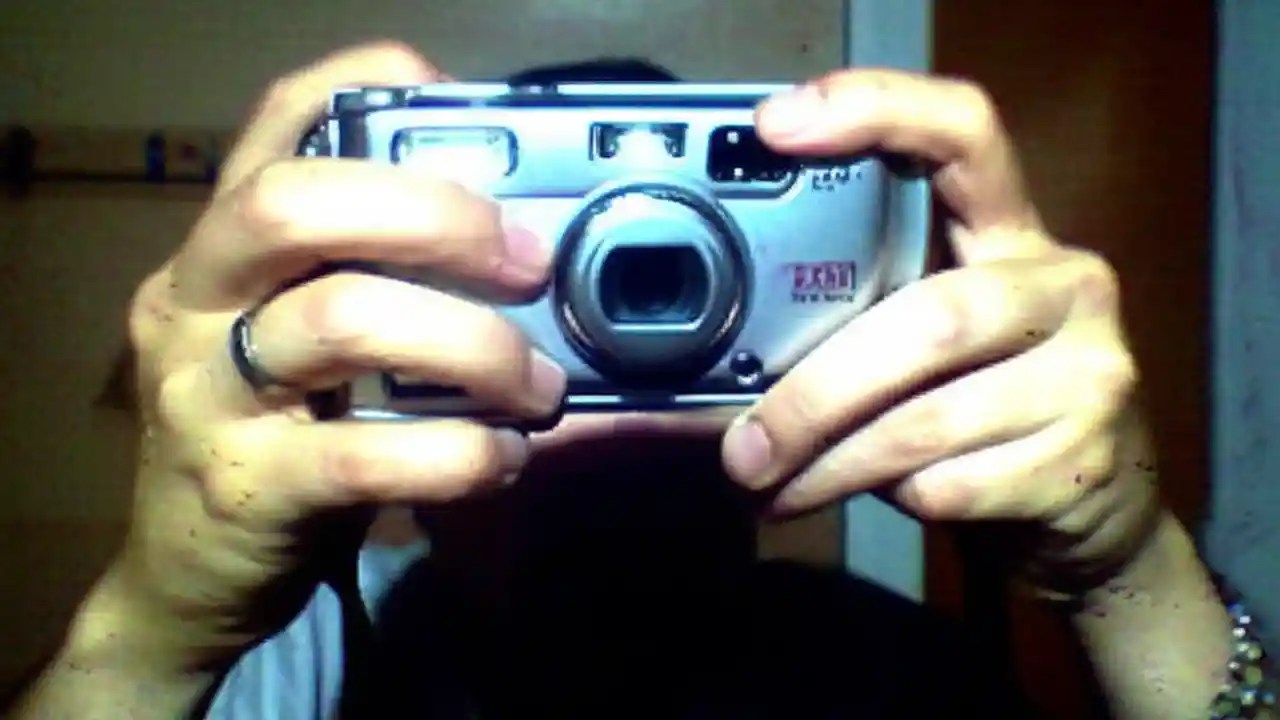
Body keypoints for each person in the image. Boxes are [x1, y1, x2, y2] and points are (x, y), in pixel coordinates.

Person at [8, 41, 1276, 719]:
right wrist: (145, 642)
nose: (632, 326)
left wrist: (1129, 583)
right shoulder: (289, 659)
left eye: (670, 277)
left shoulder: (891, 676)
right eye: (542, 296)